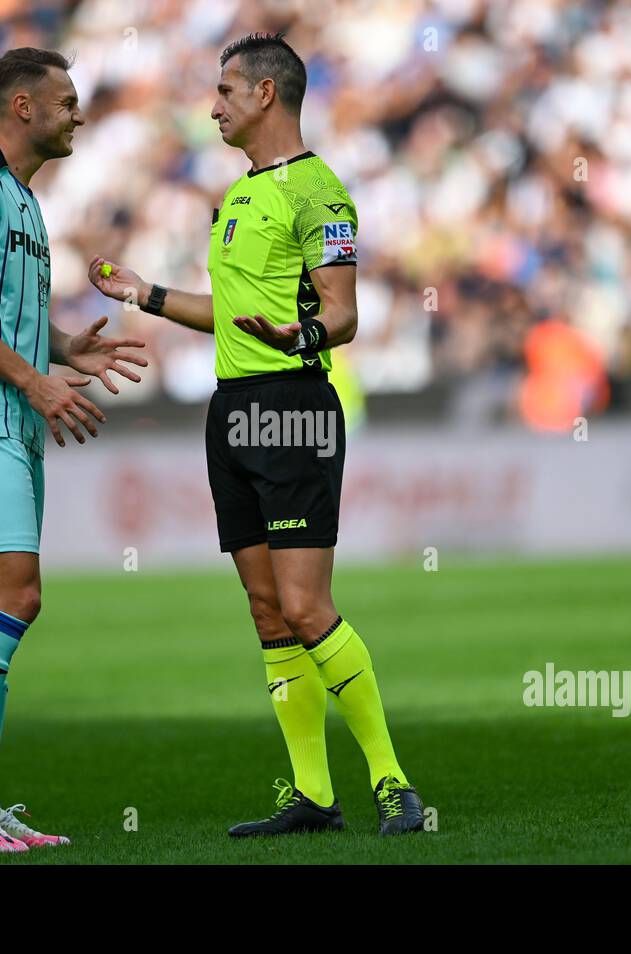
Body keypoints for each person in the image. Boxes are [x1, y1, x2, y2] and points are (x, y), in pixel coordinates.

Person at [89, 33, 424, 837]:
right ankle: (313, 795)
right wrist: (147, 293)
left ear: (267, 94)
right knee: (267, 611)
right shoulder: (237, 195)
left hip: (295, 407)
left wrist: (294, 338)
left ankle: (392, 782)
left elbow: (342, 316)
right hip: (231, 410)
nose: (214, 106)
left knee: (309, 608)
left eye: (227, 91)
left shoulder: (321, 194)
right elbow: (228, 314)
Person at [0, 48, 146, 852]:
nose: (78, 114)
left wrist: (59, 352)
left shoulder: (20, 199)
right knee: (18, 598)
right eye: (67, 102)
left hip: (3, 419)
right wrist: (35, 382)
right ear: (22, 107)